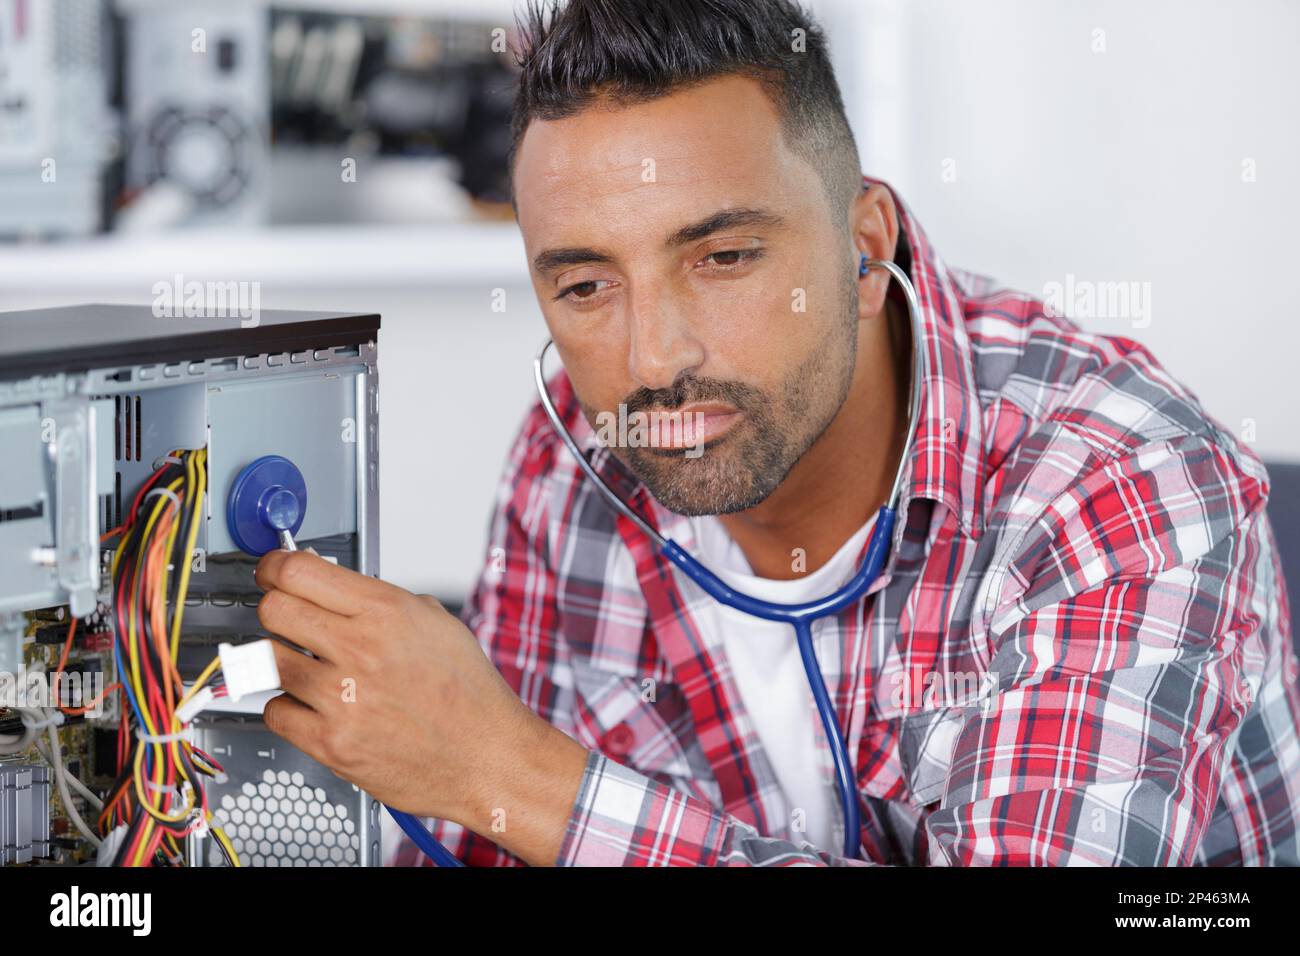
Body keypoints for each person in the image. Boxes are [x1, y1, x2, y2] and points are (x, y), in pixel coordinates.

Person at [253, 0, 1300, 866]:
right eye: (584, 283)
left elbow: (495, 783)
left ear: (864, 238)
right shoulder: (570, 454)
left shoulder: (1121, 485)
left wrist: (511, 772)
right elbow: (471, 844)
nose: (652, 357)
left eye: (723, 258)